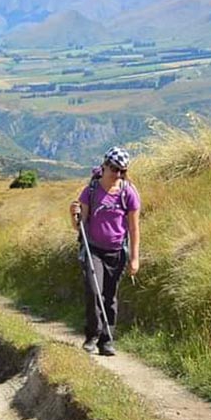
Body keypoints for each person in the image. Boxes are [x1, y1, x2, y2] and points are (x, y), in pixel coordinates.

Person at [69, 146, 141, 356]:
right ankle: (92, 336)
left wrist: (135, 259)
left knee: (110, 296)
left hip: (117, 252)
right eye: (114, 169)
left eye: (122, 171)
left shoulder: (129, 193)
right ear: (104, 166)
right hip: (93, 250)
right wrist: (71, 214)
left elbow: (135, 228)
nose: (117, 174)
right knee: (94, 291)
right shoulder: (90, 191)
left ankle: (107, 341)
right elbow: (79, 224)